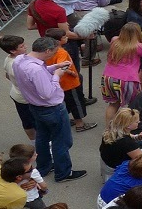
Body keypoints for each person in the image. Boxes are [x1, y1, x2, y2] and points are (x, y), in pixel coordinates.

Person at [13, 37, 87, 182]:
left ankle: (44, 167)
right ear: (47, 50)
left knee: (42, 138)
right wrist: (57, 75)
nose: (54, 54)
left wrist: (55, 67)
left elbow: (39, 74)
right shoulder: (36, 69)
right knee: (62, 141)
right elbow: (47, 93)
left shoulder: (20, 60)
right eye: (53, 52)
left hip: (35, 106)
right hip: (52, 108)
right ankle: (63, 173)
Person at [99, 108, 142, 179]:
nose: (139, 122)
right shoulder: (127, 142)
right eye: (136, 122)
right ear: (128, 125)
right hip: (117, 171)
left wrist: (137, 137)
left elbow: (128, 135)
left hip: (108, 164)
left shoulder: (111, 130)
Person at [0, 35, 36, 141]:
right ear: (13, 51)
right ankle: (37, 142)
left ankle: (34, 141)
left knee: (27, 121)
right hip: (25, 98)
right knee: (32, 122)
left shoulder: (8, 59)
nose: (26, 47)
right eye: (22, 46)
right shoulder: (18, 65)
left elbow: (7, 76)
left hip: (16, 93)